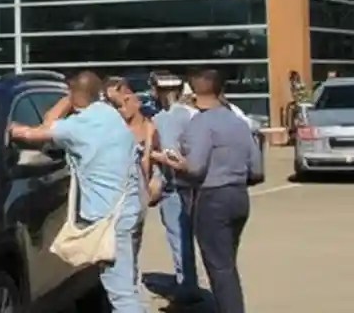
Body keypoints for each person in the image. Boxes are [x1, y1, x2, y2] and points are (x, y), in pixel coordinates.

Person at [9, 71, 145, 313]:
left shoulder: (77, 127)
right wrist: (74, 95)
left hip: (111, 220)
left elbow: (34, 132)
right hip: (130, 208)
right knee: (125, 283)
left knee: (122, 295)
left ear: (74, 95)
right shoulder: (109, 114)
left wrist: (11, 127)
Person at [152, 68, 264, 313]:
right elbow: (257, 170)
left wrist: (176, 164)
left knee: (220, 268)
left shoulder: (200, 124)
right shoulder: (238, 122)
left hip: (212, 199)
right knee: (227, 263)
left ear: (192, 93)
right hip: (238, 197)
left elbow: (196, 168)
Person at [104, 78, 162, 287]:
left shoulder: (149, 128)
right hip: (113, 196)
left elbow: (152, 165)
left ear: (134, 100)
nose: (119, 109)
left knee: (130, 248)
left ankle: (129, 289)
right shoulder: (112, 129)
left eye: (121, 102)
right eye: (112, 104)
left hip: (136, 196)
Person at [149, 71, 199, 302]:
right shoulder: (191, 114)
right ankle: (189, 283)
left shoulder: (163, 118)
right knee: (187, 236)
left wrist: (151, 155)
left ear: (161, 91)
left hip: (175, 184)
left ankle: (187, 287)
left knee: (178, 236)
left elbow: (169, 152)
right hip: (193, 184)